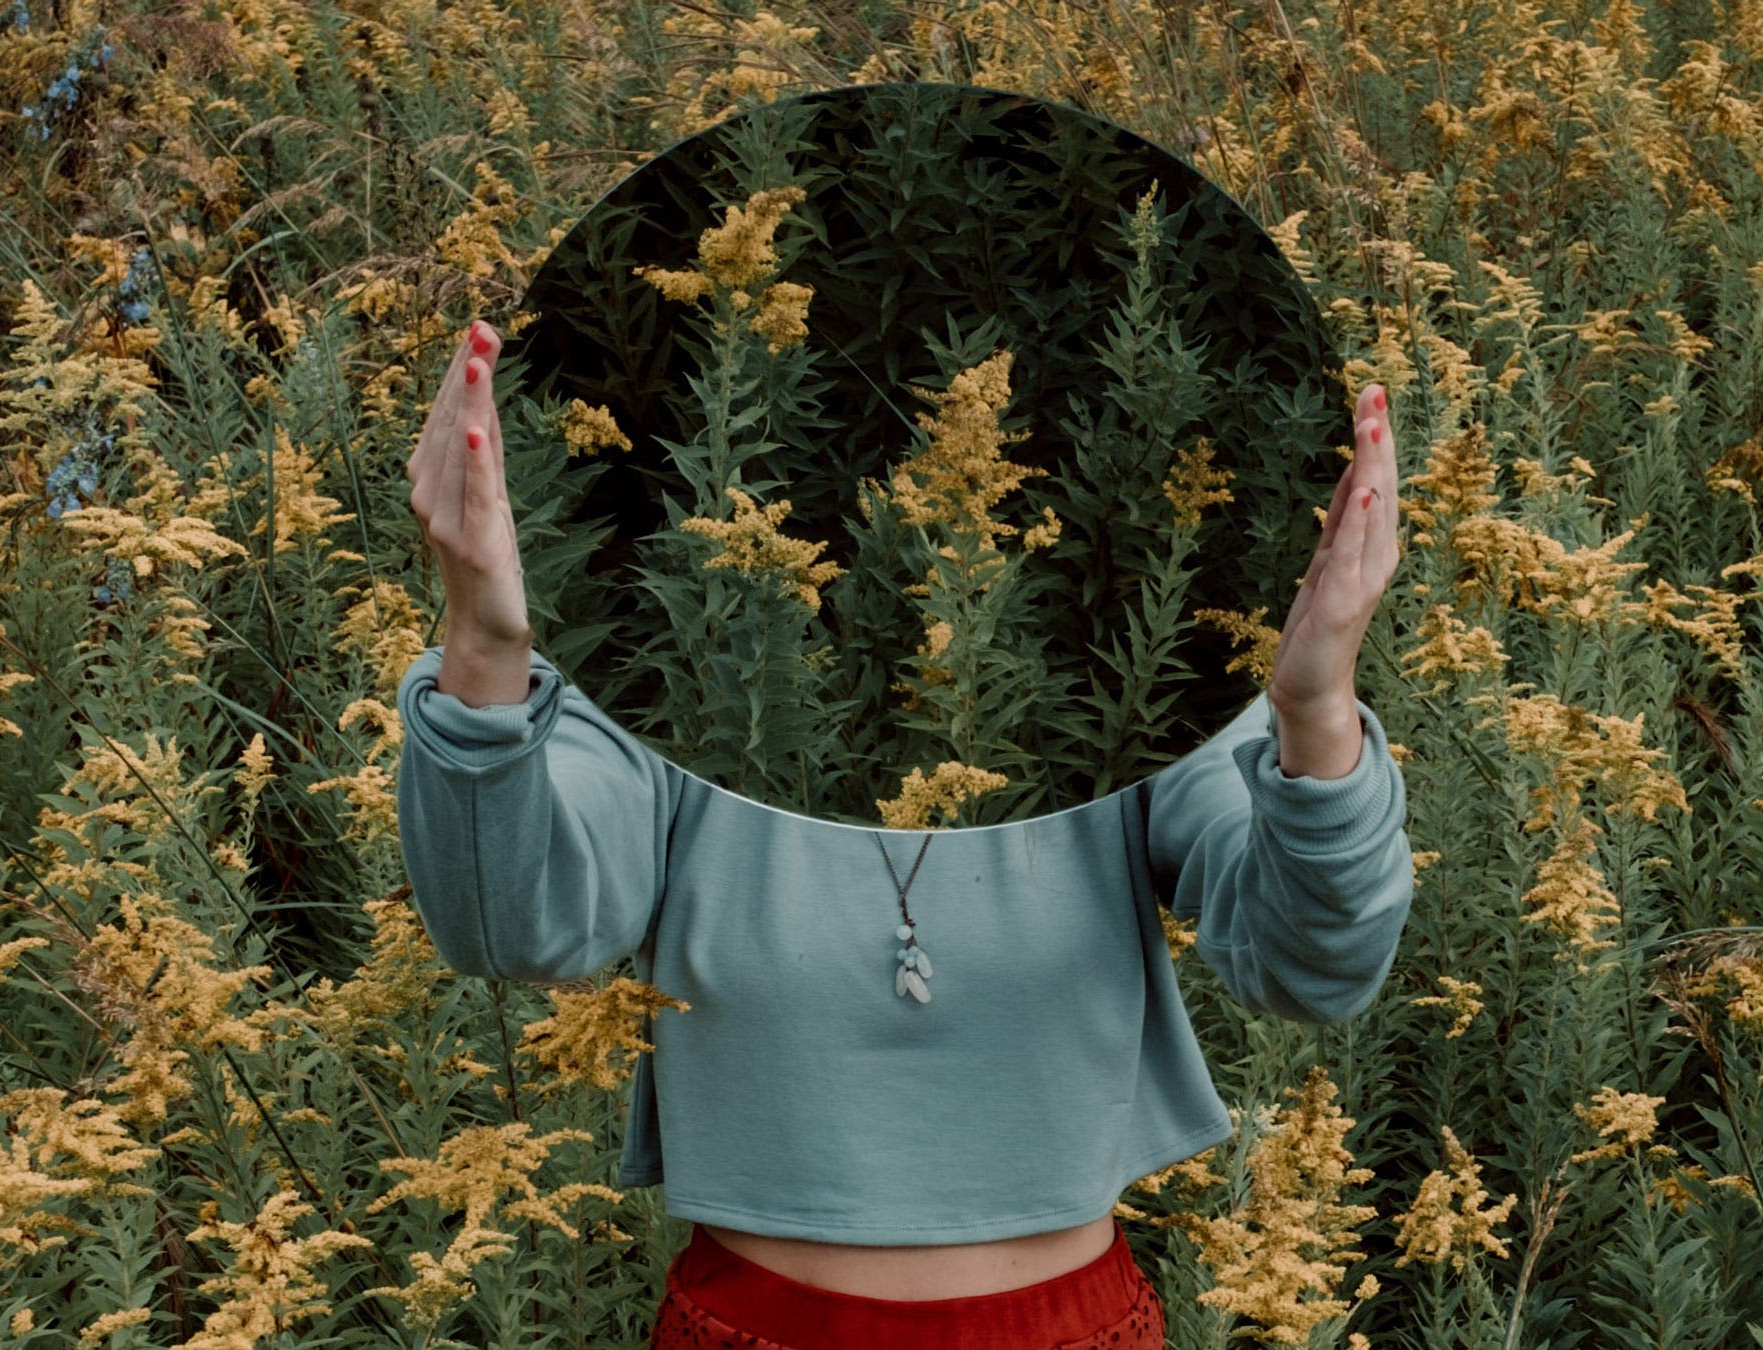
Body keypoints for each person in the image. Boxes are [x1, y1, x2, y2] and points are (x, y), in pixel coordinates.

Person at [399, 317, 1413, 1349]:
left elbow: (1311, 969)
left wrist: (1316, 711)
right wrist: (482, 646)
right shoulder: (679, 669)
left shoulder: (1131, 694)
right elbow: (510, 928)